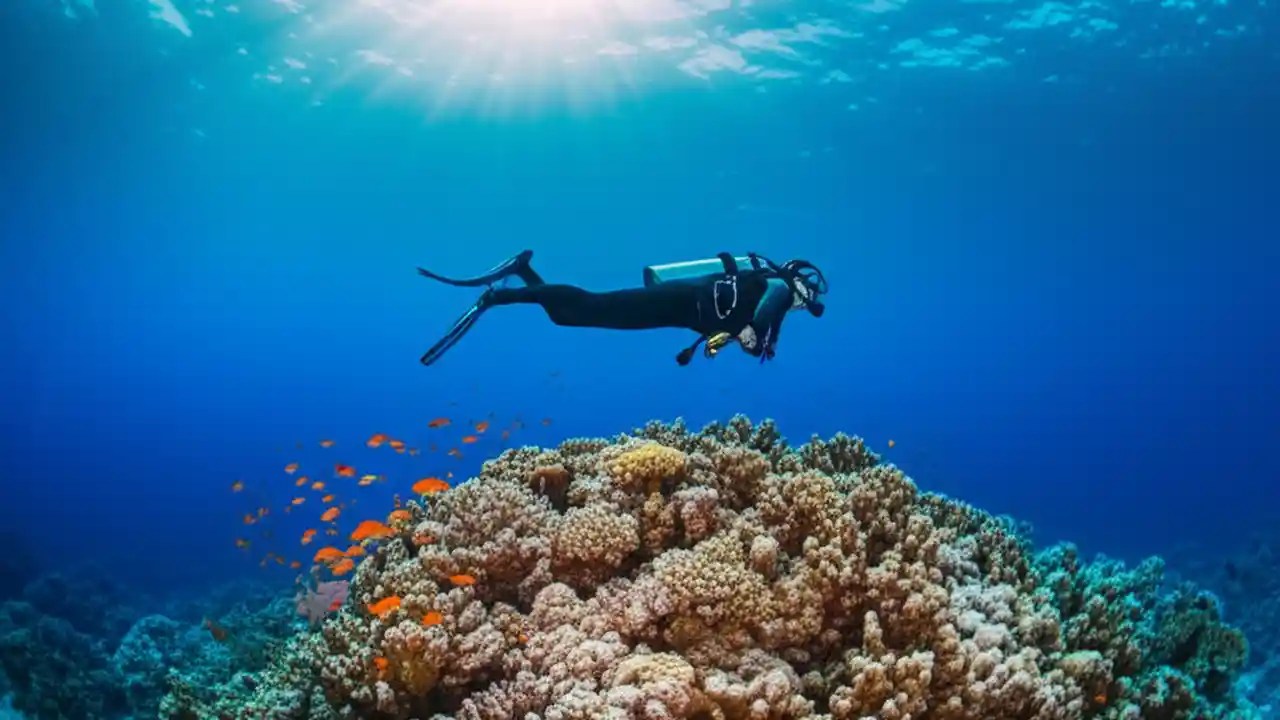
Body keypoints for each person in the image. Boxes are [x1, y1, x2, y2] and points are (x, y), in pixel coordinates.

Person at [416, 250, 827, 366]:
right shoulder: (779, 287)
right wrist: (753, 333)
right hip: (680, 301)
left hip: (679, 312)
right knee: (595, 305)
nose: (807, 298)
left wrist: (739, 338)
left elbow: (741, 328)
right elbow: (766, 309)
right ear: (801, 281)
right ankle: (497, 295)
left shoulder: (770, 294)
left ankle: (524, 273)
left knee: (569, 316)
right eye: (809, 289)